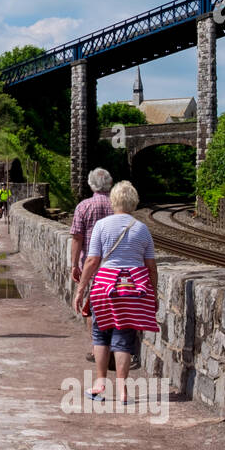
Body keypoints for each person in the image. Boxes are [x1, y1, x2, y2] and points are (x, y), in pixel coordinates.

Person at [73, 181, 158, 404]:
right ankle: (122, 392)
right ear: (134, 202)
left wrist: (81, 291)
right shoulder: (142, 229)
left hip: (104, 286)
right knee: (124, 336)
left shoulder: (102, 226)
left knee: (101, 334)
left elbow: (92, 261)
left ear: (113, 201)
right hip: (133, 288)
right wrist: (154, 295)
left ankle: (101, 385)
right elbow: (151, 267)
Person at [70, 168, 116, 365]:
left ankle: (97, 349)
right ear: (110, 184)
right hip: (116, 266)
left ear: (90, 185)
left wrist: (73, 265)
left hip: (92, 266)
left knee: (92, 307)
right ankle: (115, 348)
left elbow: (77, 238)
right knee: (115, 307)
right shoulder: (118, 206)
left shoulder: (84, 206)